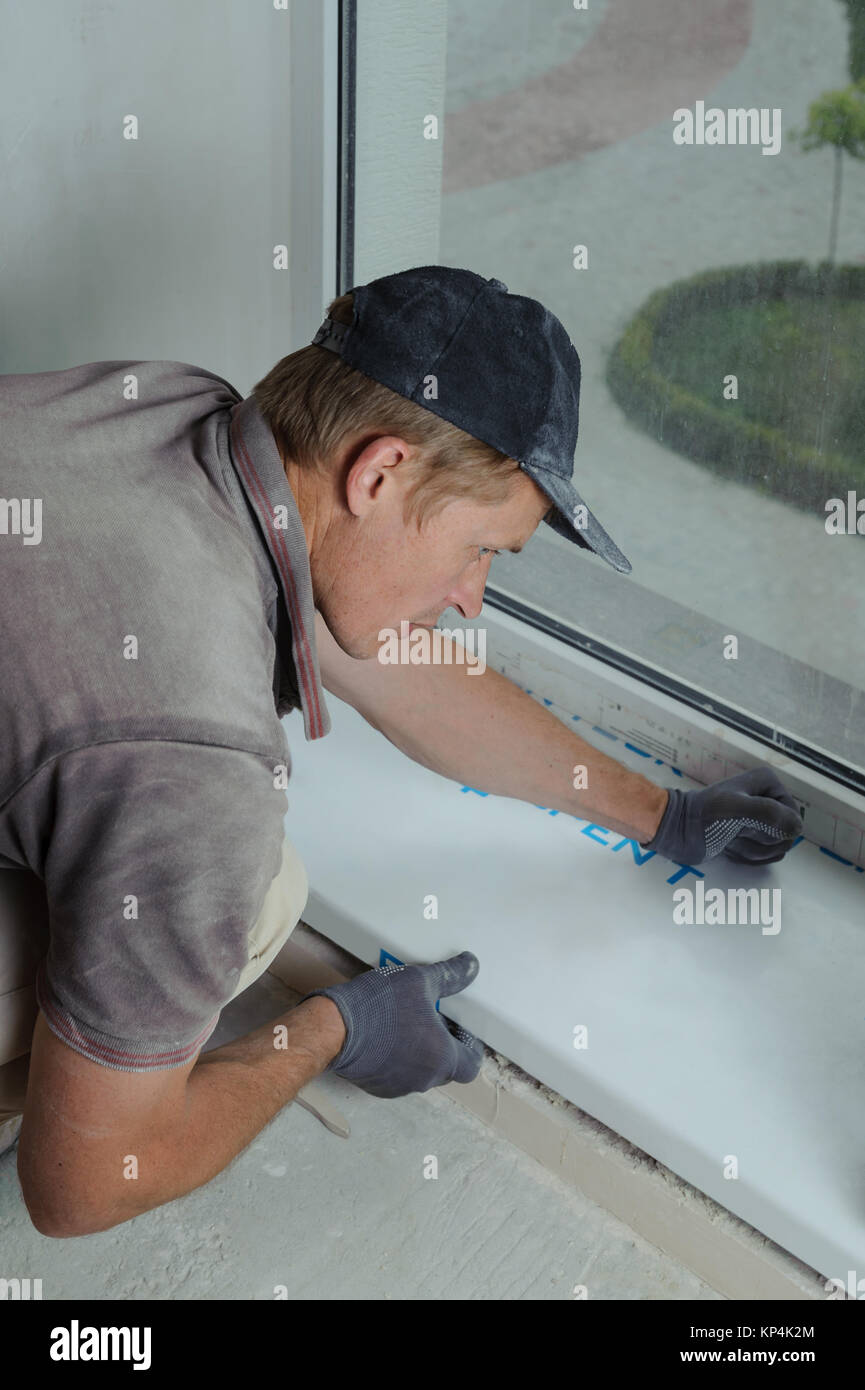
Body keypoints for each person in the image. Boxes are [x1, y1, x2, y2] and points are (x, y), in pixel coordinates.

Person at [0, 265, 802, 1236]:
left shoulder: (165, 408)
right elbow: (84, 1188)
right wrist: (328, 1028)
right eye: (481, 551)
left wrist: (657, 813)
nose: (471, 597)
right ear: (378, 471)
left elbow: (389, 663)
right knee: (252, 901)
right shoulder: (197, 768)